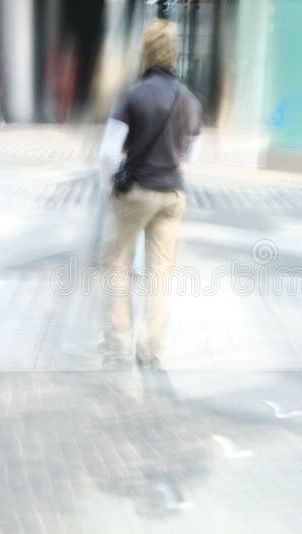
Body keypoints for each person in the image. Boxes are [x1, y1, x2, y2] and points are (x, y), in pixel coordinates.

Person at [98, 19, 202, 369]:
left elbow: (108, 153)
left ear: (145, 52)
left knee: (116, 263)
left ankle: (117, 341)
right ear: (174, 53)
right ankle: (151, 347)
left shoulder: (132, 95)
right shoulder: (189, 100)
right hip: (172, 196)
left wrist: (109, 186)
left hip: (136, 192)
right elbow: (192, 155)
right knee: (160, 272)